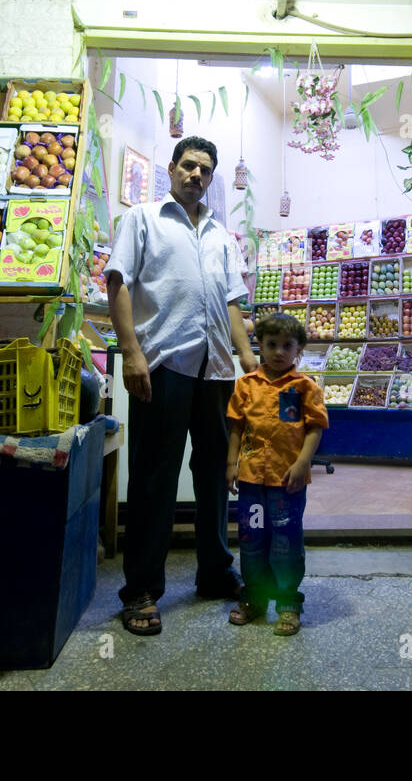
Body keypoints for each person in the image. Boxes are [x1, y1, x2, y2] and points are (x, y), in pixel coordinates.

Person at [104, 136, 259, 636]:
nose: (196, 175)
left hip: (215, 371)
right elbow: (118, 282)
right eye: (189, 166)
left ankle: (215, 572)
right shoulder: (143, 218)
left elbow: (233, 304)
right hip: (162, 365)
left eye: (205, 170)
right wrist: (131, 353)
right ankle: (142, 590)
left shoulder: (221, 236)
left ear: (212, 179)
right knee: (154, 478)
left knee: (217, 474)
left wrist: (250, 362)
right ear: (171, 170)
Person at [225, 311, 328, 636]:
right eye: (272, 344)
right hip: (252, 481)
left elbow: (315, 429)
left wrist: (303, 463)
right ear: (260, 345)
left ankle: (288, 604)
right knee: (252, 540)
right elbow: (237, 428)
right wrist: (231, 464)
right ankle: (254, 598)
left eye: (288, 346)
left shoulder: (305, 388)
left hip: (288, 483)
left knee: (286, 542)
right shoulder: (245, 385)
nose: (279, 351)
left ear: (299, 350)